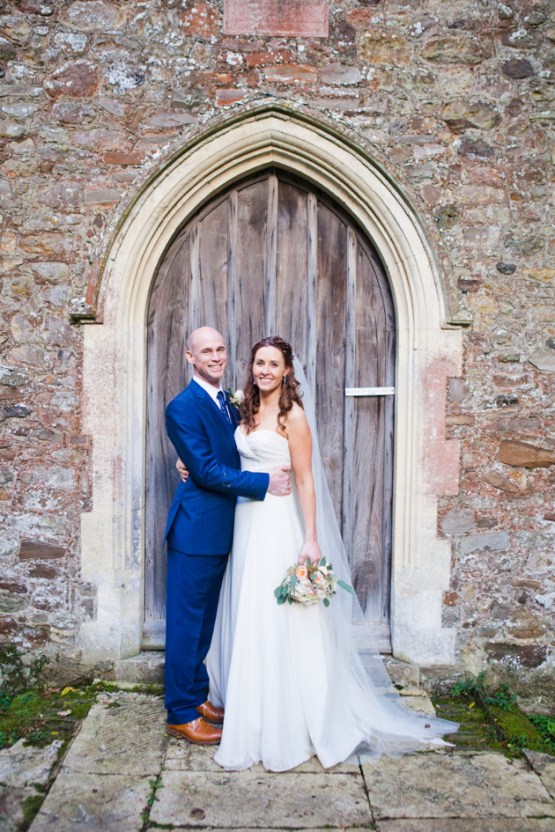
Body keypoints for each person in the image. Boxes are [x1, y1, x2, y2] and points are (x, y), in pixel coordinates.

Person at [202, 336, 458, 771]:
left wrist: (311, 538)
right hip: (244, 523)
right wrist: (187, 464)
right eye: (259, 362)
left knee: (278, 616)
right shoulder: (243, 409)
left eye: (273, 364)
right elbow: (227, 459)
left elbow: (305, 481)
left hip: (277, 523)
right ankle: (249, 709)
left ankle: (288, 720)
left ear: (286, 370)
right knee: (247, 609)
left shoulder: (292, 416)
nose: (264, 370)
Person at [163, 326, 292, 745]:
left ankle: (197, 695)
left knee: (204, 624)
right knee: (187, 624)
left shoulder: (229, 401)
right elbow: (205, 469)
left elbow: (225, 451)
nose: (216, 357)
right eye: (206, 351)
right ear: (190, 357)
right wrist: (262, 482)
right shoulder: (182, 406)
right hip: (196, 530)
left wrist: (192, 465)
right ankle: (180, 712)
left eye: (220, 349)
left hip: (225, 529)